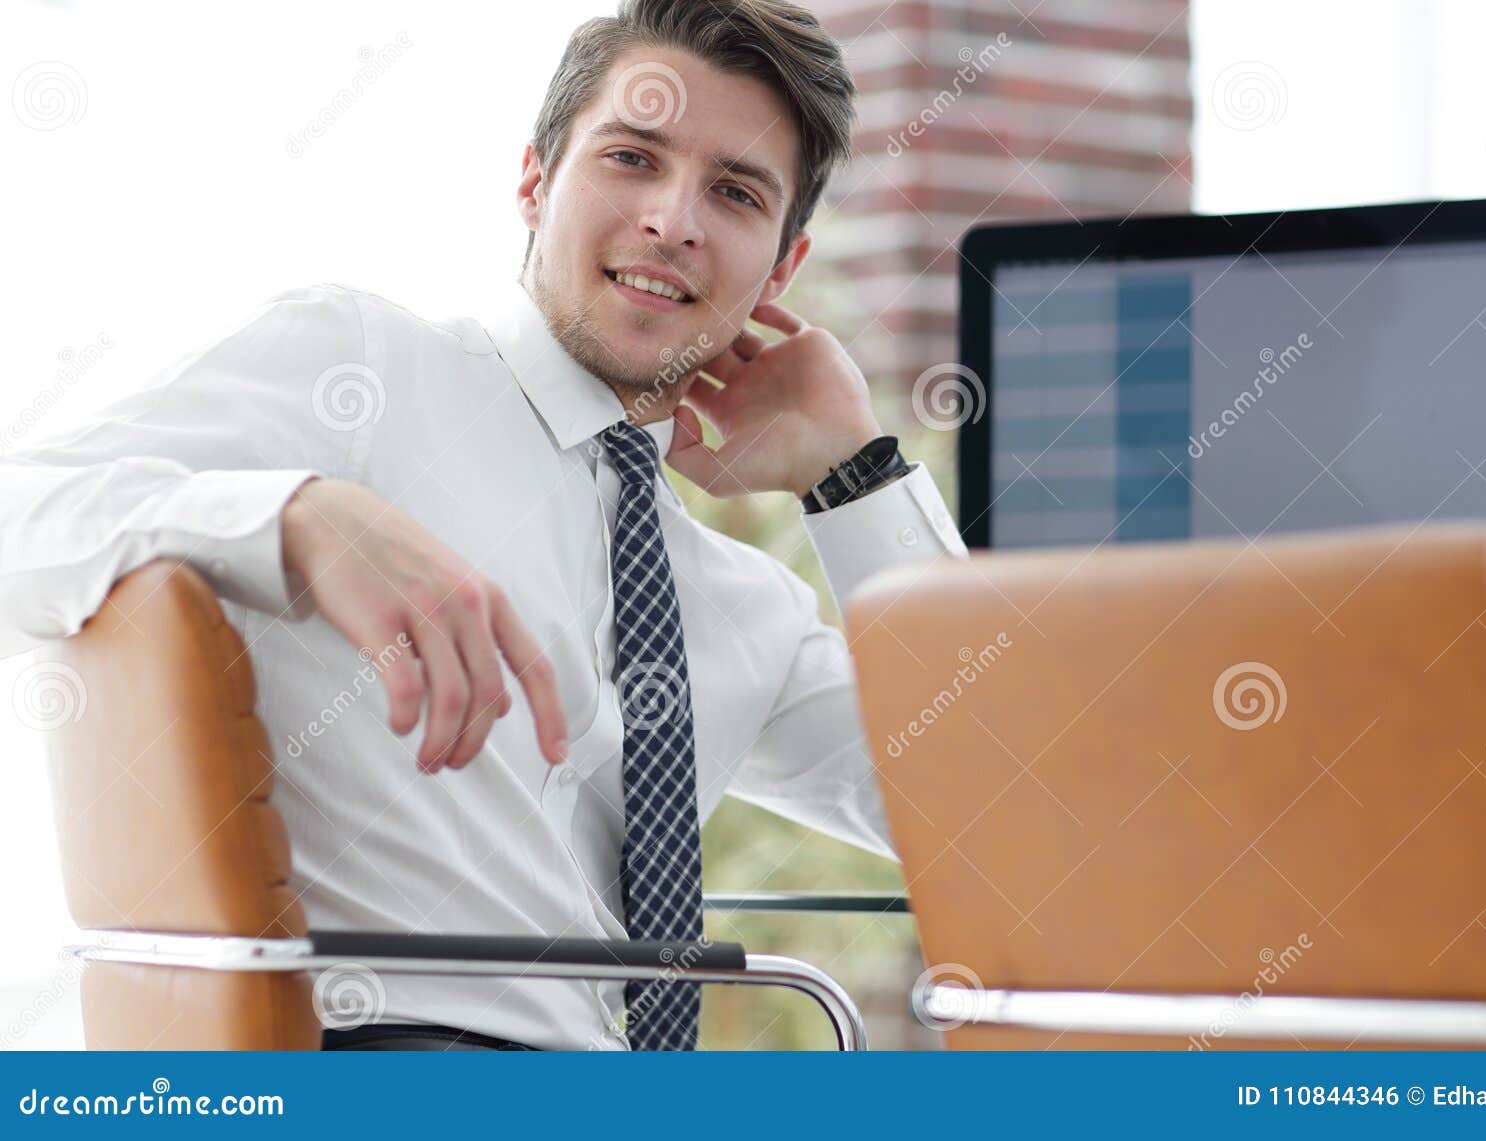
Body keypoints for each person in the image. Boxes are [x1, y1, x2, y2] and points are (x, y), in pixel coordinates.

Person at [0, 0, 967, 1050]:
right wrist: (295, 518)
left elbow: (1000, 815)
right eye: (633, 158)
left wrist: (854, 475)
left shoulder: (748, 611)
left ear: (780, 270)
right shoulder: (360, 369)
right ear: (533, 183)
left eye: (734, 193)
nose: (675, 220)